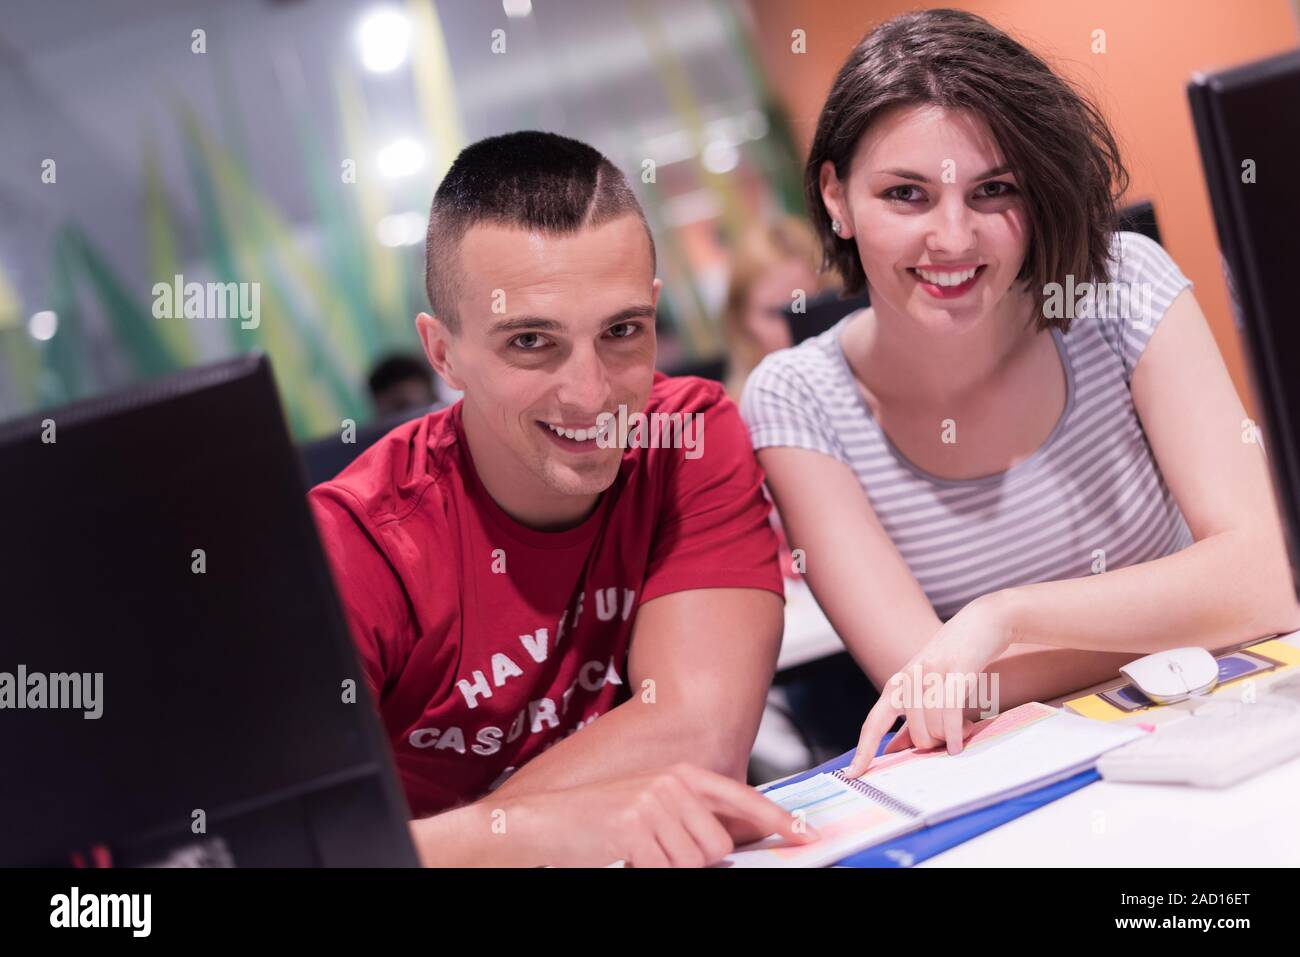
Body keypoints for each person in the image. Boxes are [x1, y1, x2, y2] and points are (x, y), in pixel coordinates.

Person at [739, 8, 1300, 777]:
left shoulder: (1119, 284)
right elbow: (931, 694)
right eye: (906, 194)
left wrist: (999, 619)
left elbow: (1272, 577)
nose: (953, 238)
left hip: (1233, 729)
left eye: (993, 189)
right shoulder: (796, 397)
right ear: (835, 197)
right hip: (1034, 780)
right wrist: (1201, 607)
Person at [309, 130, 810, 866]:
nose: (591, 394)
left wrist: (445, 842)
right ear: (442, 351)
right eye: (531, 342)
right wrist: (531, 832)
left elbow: (701, 737)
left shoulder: (687, 437)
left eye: (622, 331)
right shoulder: (356, 545)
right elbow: (296, 851)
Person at [721, 216, 829, 400]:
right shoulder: (734, 414)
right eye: (774, 313)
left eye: (802, 304)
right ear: (742, 321)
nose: (793, 323)